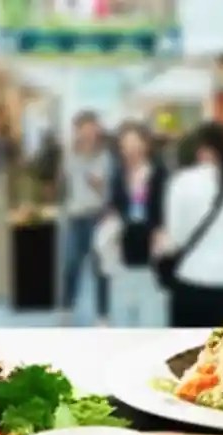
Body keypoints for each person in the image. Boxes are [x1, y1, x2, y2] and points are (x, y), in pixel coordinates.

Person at [160, 121, 223, 327]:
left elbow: (174, 239)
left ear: (201, 149)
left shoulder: (180, 183)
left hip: (189, 281)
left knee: (187, 346)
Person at [107, 121, 169, 327]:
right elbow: (116, 205)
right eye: (126, 145)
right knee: (125, 310)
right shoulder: (118, 175)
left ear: (146, 145)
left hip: (153, 247)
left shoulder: (159, 174)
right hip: (125, 245)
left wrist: (161, 232)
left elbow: (165, 208)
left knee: (153, 311)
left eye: (135, 143)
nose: (131, 149)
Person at [62, 111, 113, 324]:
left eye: (92, 128)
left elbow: (109, 188)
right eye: (84, 128)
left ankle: (103, 314)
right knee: (71, 264)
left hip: (97, 216)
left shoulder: (105, 156)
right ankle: (67, 308)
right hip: (75, 216)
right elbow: (65, 183)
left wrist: (98, 184)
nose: (89, 133)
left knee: (100, 267)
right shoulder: (70, 155)